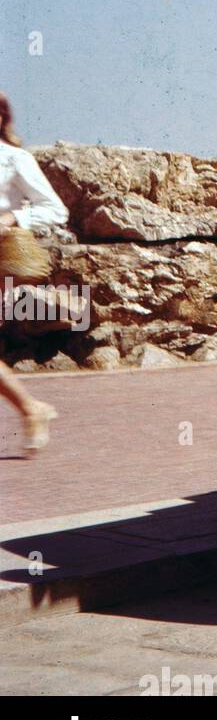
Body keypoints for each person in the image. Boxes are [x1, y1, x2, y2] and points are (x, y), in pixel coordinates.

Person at [0, 92, 69, 453]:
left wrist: (15, 217)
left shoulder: (14, 159)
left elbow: (55, 209)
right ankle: (31, 408)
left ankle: (31, 408)